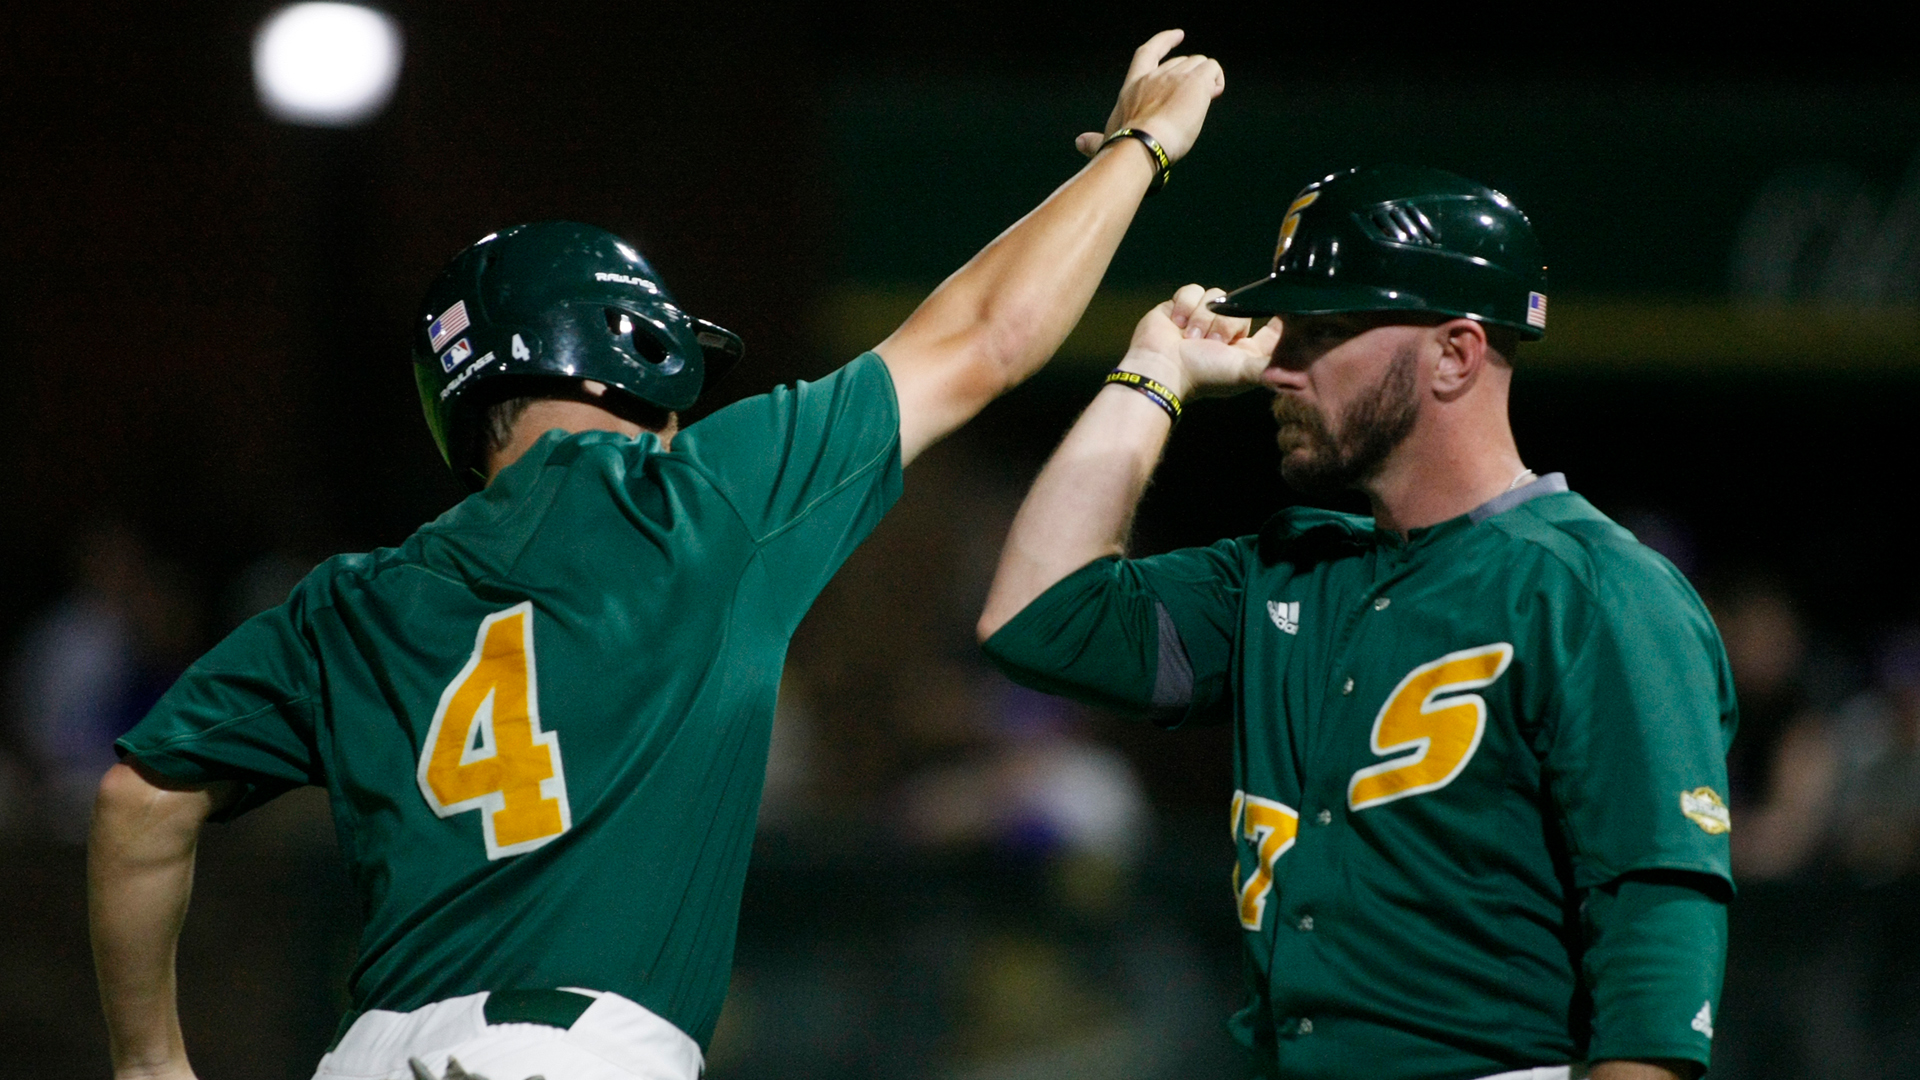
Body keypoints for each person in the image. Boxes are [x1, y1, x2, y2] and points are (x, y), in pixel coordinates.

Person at [86, 31, 1224, 1080]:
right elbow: (989, 337)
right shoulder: (695, 501)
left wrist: (151, 1062)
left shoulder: (346, 602)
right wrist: (1143, 146)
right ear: (634, 352)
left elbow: (140, 798)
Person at [977, 165, 1736, 1080]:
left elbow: (1655, 922)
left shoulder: (1597, 591)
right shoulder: (1285, 574)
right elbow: (1036, 616)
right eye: (1284, 328)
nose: (1275, 362)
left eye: (1325, 331)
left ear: (1455, 354)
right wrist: (1154, 374)